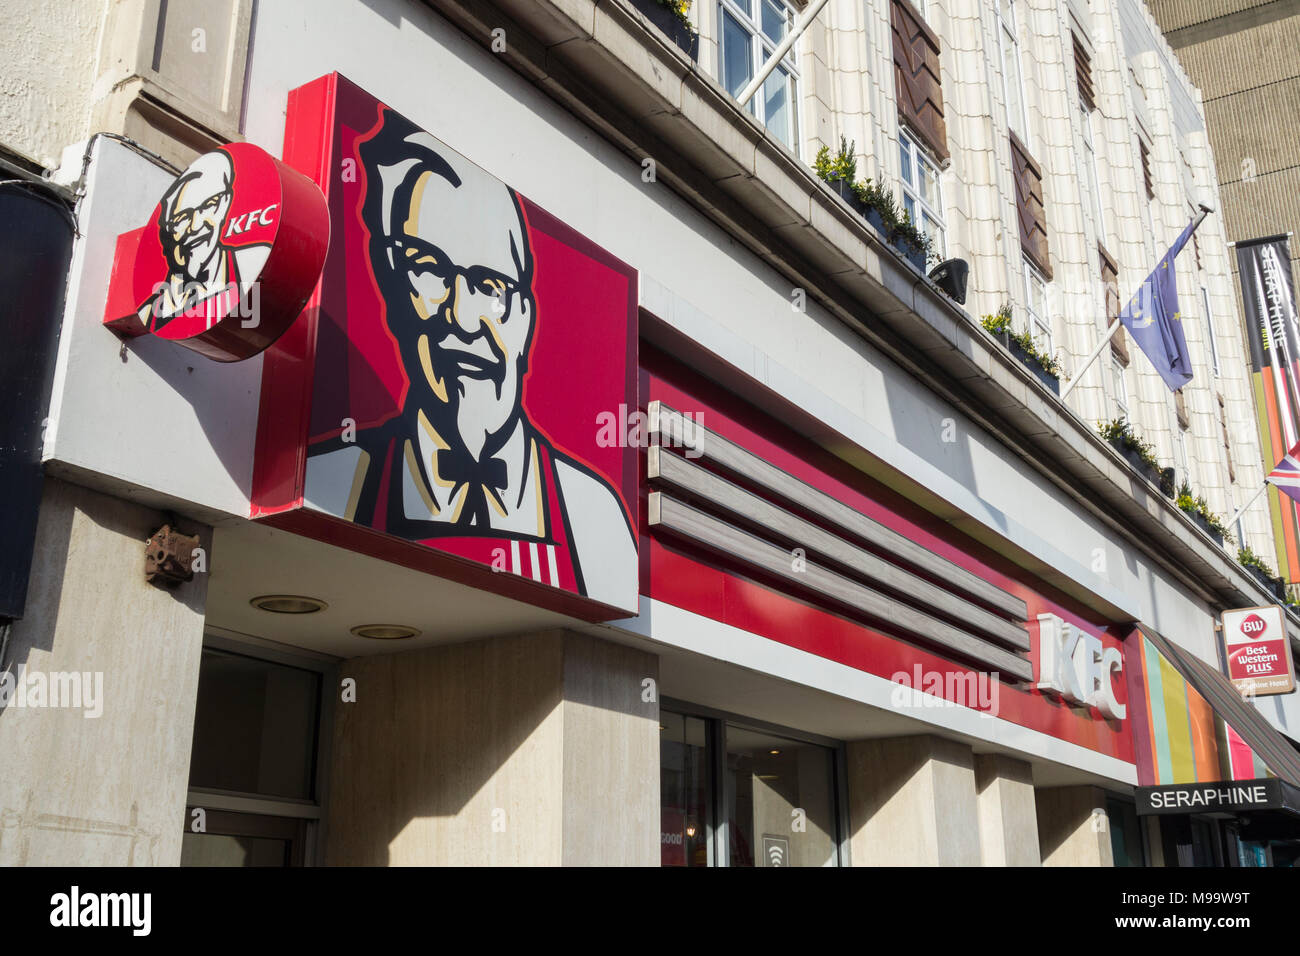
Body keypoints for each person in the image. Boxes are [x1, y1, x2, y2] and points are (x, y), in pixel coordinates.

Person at [304, 109, 636, 608]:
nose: (463, 318)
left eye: (489, 284)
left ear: (524, 318)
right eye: (430, 269)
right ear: (394, 295)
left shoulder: (594, 518)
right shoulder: (337, 478)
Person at [138, 150, 269, 331]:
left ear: (225, 203)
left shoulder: (256, 261)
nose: (196, 225)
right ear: (168, 229)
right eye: (182, 217)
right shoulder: (150, 314)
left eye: (209, 205)